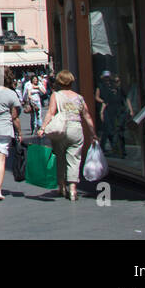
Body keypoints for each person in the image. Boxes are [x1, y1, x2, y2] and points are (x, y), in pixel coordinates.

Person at [38, 69, 96, 201]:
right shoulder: (79, 97)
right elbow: (86, 115)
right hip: (76, 128)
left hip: (61, 129)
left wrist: (43, 127)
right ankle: (73, 189)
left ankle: (62, 187)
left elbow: (51, 112)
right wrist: (93, 133)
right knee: (74, 159)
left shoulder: (56, 95)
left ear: (59, 82)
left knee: (60, 158)